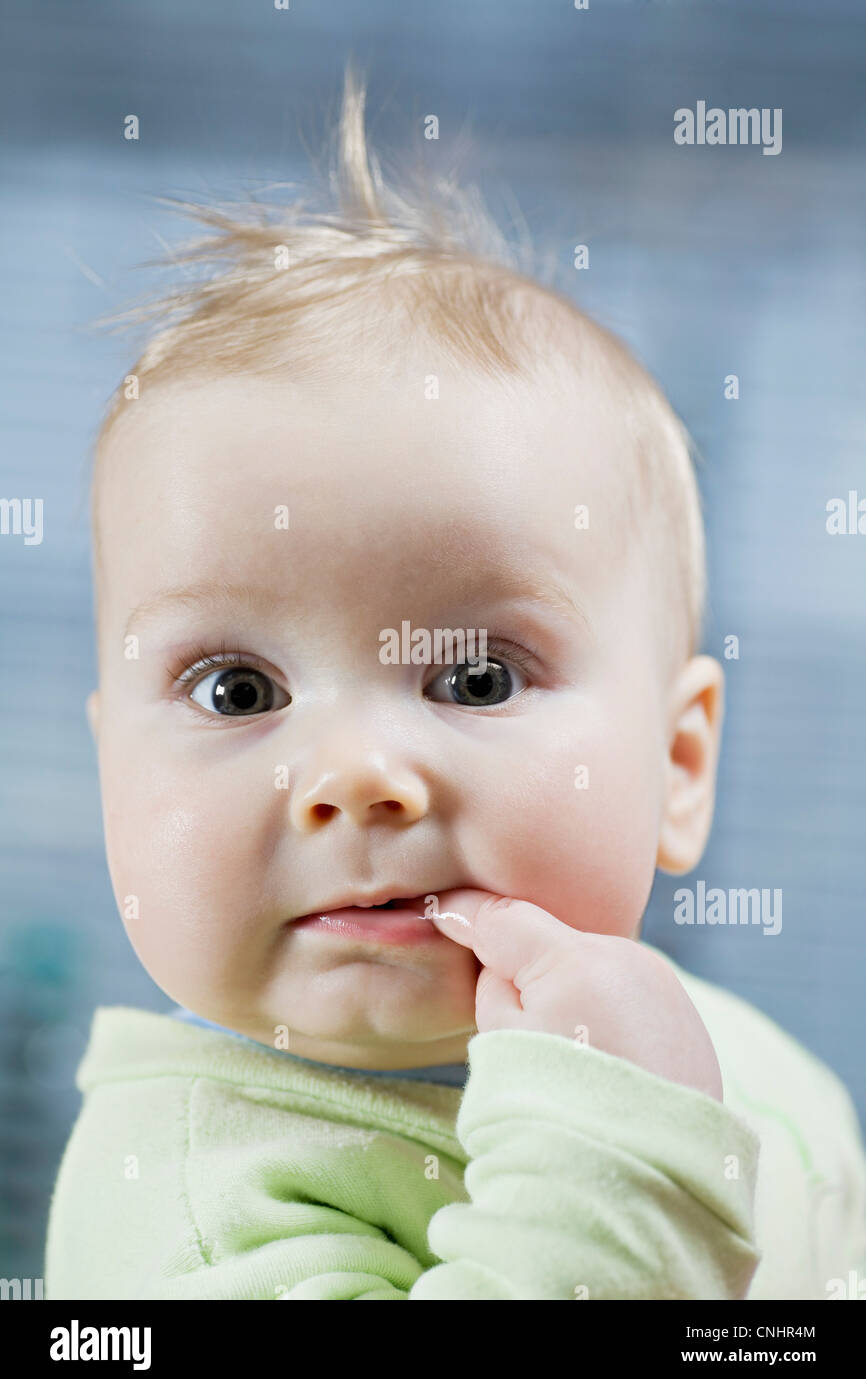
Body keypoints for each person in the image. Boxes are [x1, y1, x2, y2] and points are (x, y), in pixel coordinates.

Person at [45, 67, 866, 1300]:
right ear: (114, 770)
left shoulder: (731, 1058)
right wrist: (618, 1158)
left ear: (678, 766)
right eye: (235, 690)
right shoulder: (181, 1203)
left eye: (477, 678)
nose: (357, 779)